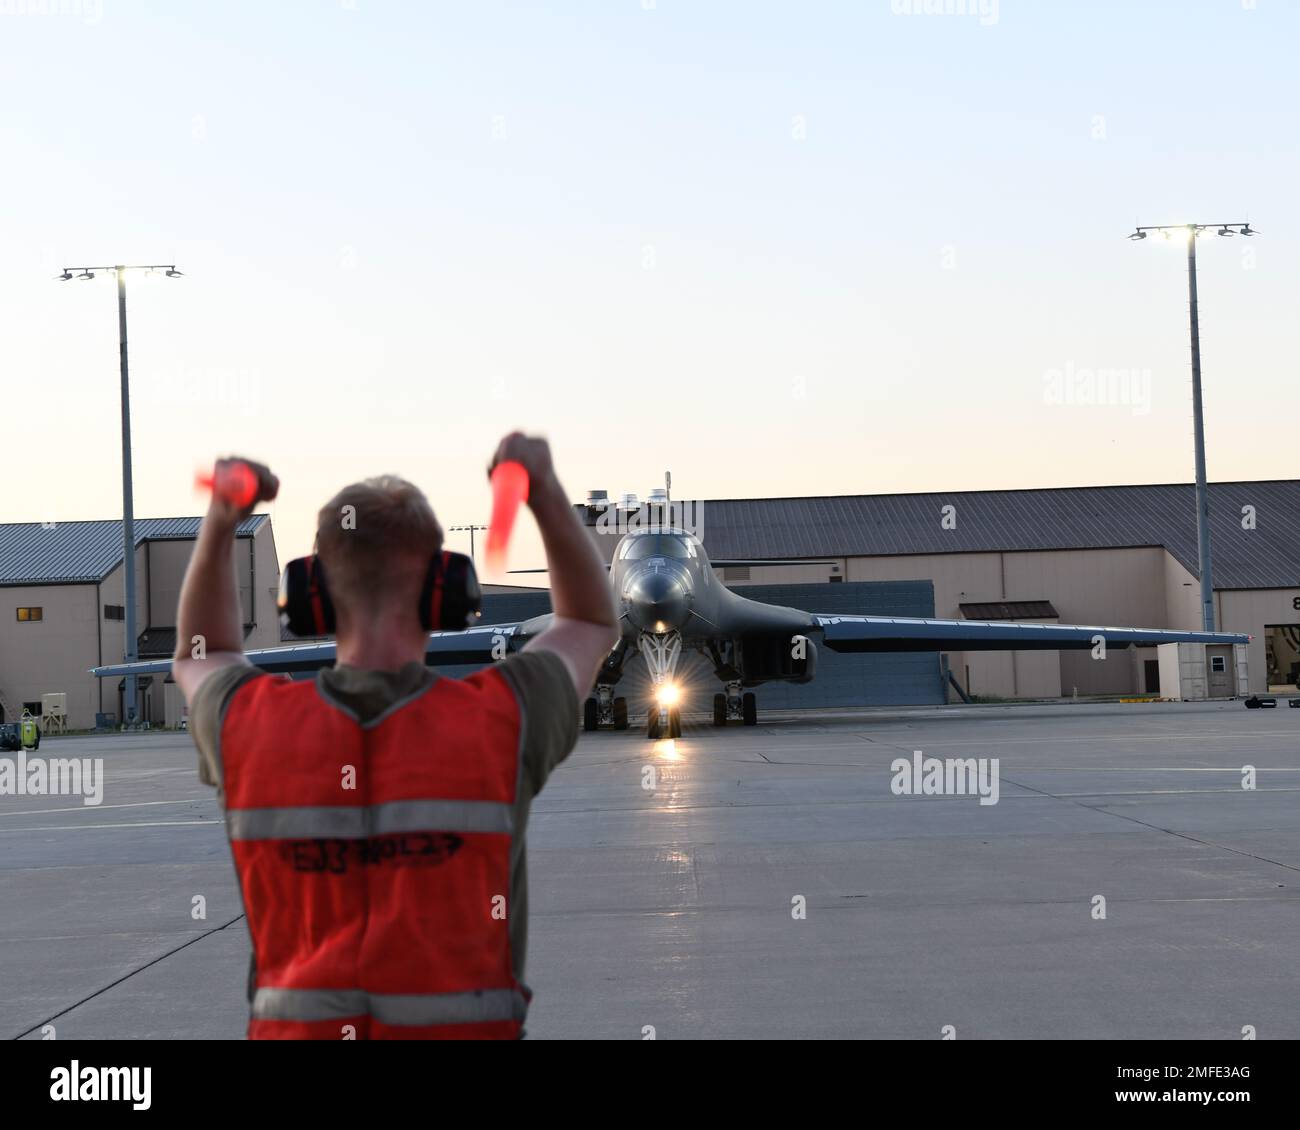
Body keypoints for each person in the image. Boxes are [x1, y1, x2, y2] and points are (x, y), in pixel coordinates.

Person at [174, 433, 618, 1039]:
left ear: (311, 596)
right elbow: (590, 622)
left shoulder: (247, 724)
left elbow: (207, 651)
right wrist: (541, 489)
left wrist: (223, 518)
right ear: (448, 588)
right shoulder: (504, 719)